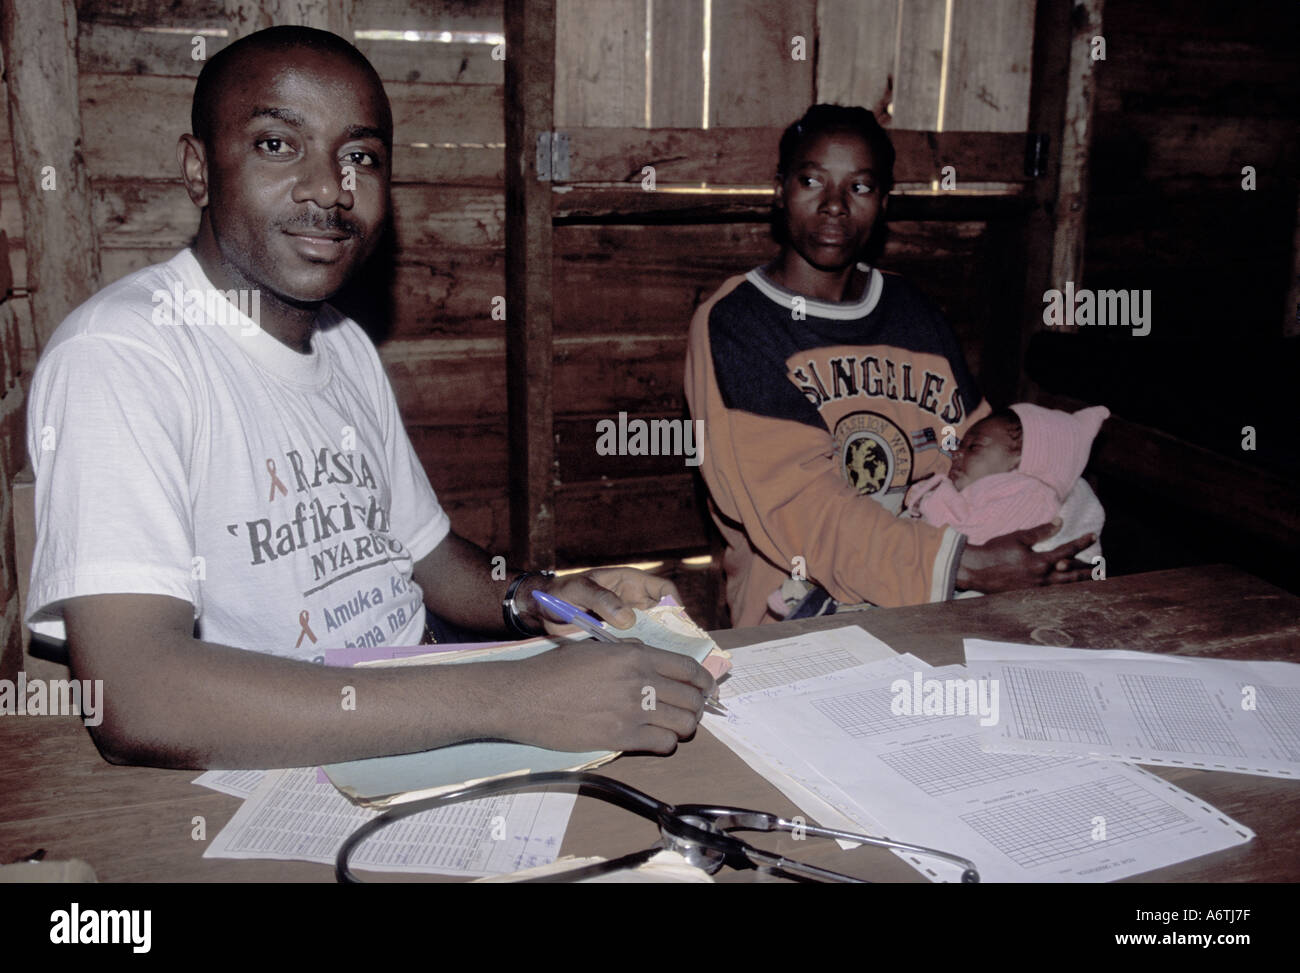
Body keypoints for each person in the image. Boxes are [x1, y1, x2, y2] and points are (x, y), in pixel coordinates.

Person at [25, 26, 714, 770]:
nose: (330, 188)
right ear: (198, 170)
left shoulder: (342, 341)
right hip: (282, 766)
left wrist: (537, 598)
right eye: (276, 144)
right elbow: (138, 696)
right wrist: (512, 699)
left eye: (359, 157)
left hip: (418, 713)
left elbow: (422, 552)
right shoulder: (123, 355)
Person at [684, 104, 1096, 627]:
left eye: (859, 187)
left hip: (948, 600)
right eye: (812, 180)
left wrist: (1044, 538)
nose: (834, 205)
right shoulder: (738, 322)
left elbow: (982, 449)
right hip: (802, 622)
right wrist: (961, 565)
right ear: (780, 189)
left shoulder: (911, 311)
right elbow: (799, 507)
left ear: (883, 202)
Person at [904, 404, 1109, 589]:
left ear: (1021, 458)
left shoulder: (1030, 493)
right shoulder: (994, 489)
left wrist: (935, 497)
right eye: (959, 446)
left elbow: (971, 542)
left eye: (974, 447)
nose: (956, 453)